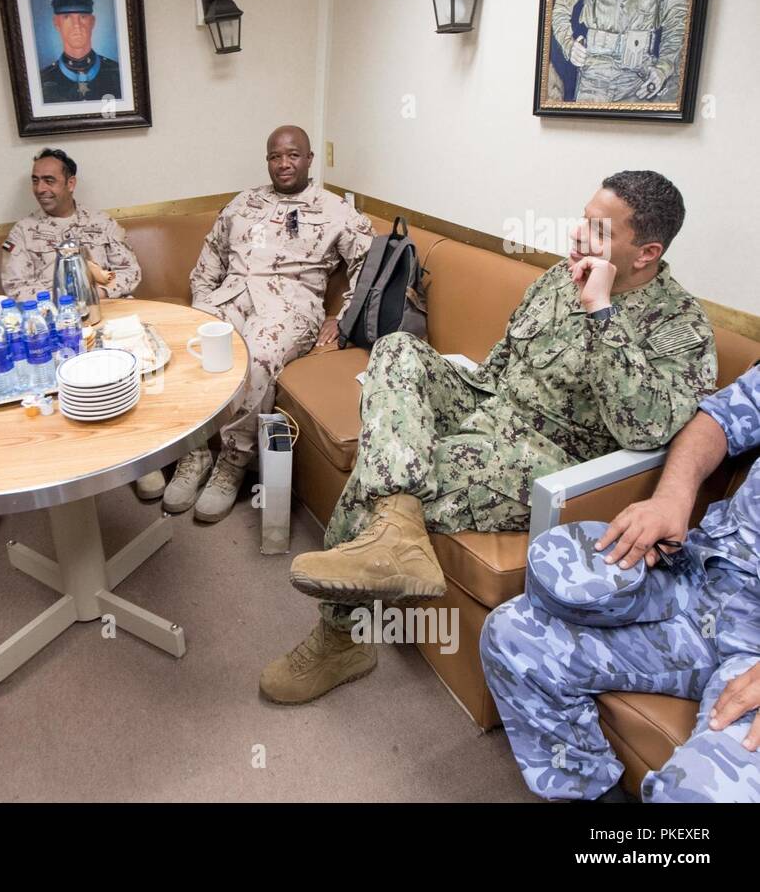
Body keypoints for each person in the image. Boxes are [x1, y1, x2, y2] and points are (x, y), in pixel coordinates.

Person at [261, 170, 718, 705]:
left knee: (388, 478)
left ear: (646, 252)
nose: (575, 236)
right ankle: (397, 526)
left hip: (555, 459)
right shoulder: (556, 277)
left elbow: (646, 429)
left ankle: (340, 640)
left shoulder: (681, 325)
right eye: (582, 219)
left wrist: (601, 313)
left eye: (597, 230)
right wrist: (449, 404)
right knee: (395, 352)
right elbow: (504, 360)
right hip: (494, 405)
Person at [481, 363, 760, 802]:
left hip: (753, 653)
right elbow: (720, 419)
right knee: (513, 635)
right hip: (702, 578)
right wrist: (673, 497)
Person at [161, 124, 372, 522]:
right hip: (233, 295)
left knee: (257, 356)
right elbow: (210, 261)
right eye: (276, 156)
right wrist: (203, 308)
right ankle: (194, 454)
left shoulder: (335, 211)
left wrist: (341, 316)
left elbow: (370, 265)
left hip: (289, 307)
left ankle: (232, 462)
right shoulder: (243, 203)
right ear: (267, 161)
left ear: (309, 159)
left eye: (293, 155)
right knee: (190, 342)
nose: (284, 163)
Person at [2, 149, 159, 500]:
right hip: (53, 324)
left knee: (139, 362)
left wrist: (99, 293)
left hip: (107, 313)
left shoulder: (100, 223)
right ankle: (71, 463)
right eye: (35, 180)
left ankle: (140, 457)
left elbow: (131, 272)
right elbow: (15, 287)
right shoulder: (24, 232)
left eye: (50, 180)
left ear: (71, 183)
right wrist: (65, 303)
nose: (41, 188)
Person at [551, 0, 689, 103]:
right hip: (595, 76)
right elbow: (560, 8)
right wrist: (569, 45)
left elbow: (678, 13)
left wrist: (664, 67)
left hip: (640, 76)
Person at [36, 0, 122, 103]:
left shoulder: (118, 74)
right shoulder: (42, 81)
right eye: (67, 17)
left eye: (83, 16)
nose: (77, 25)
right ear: (56, 23)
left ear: (92, 21)